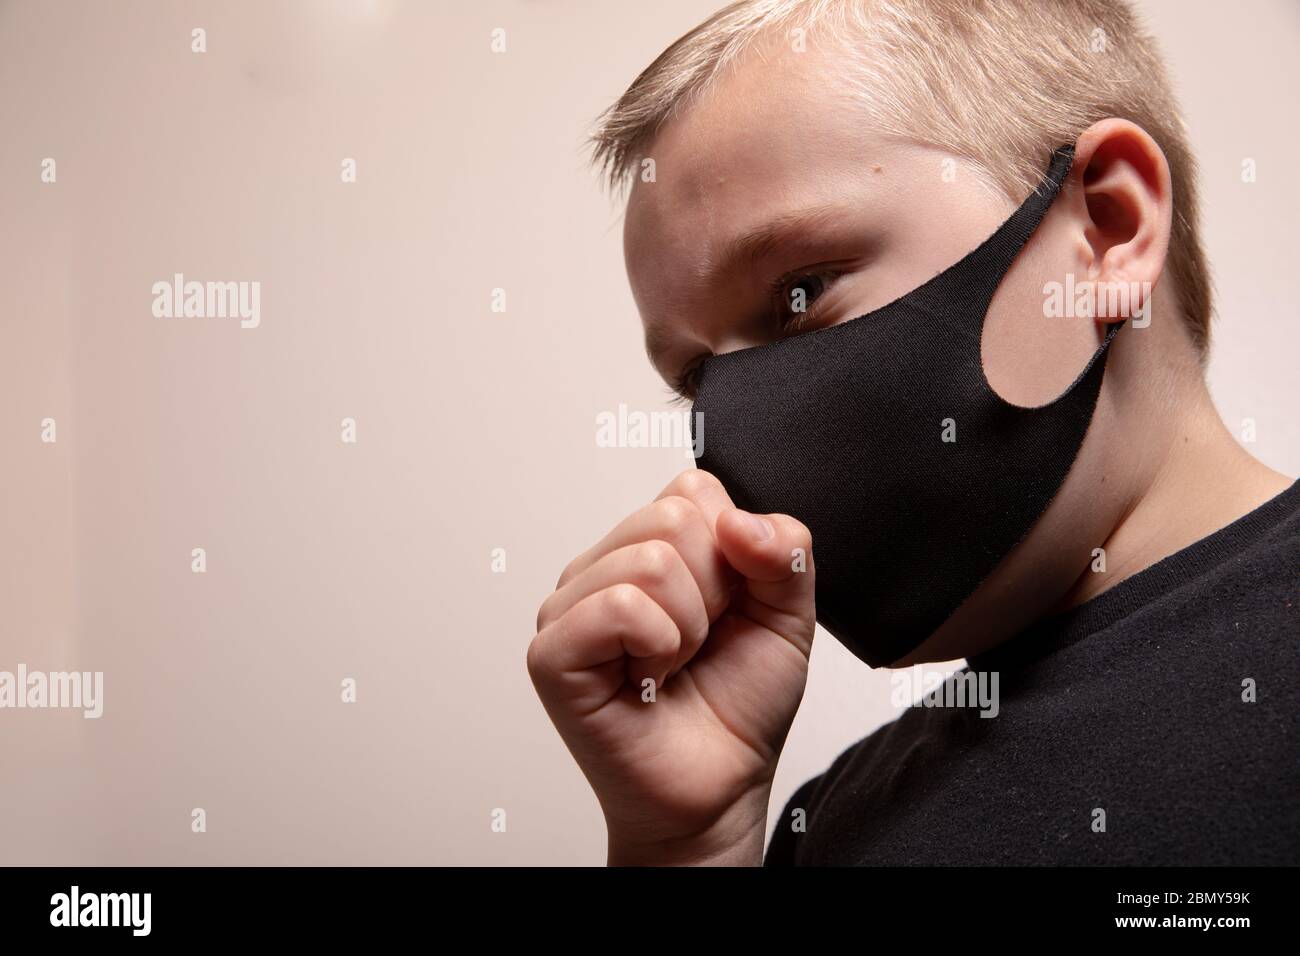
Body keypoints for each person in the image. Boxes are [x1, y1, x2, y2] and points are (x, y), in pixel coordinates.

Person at [526, 0, 1298, 865]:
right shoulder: (829, 821)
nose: (737, 419)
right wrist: (684, 845)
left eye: (799, 292)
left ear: (1107, 232)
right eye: (696, 379)